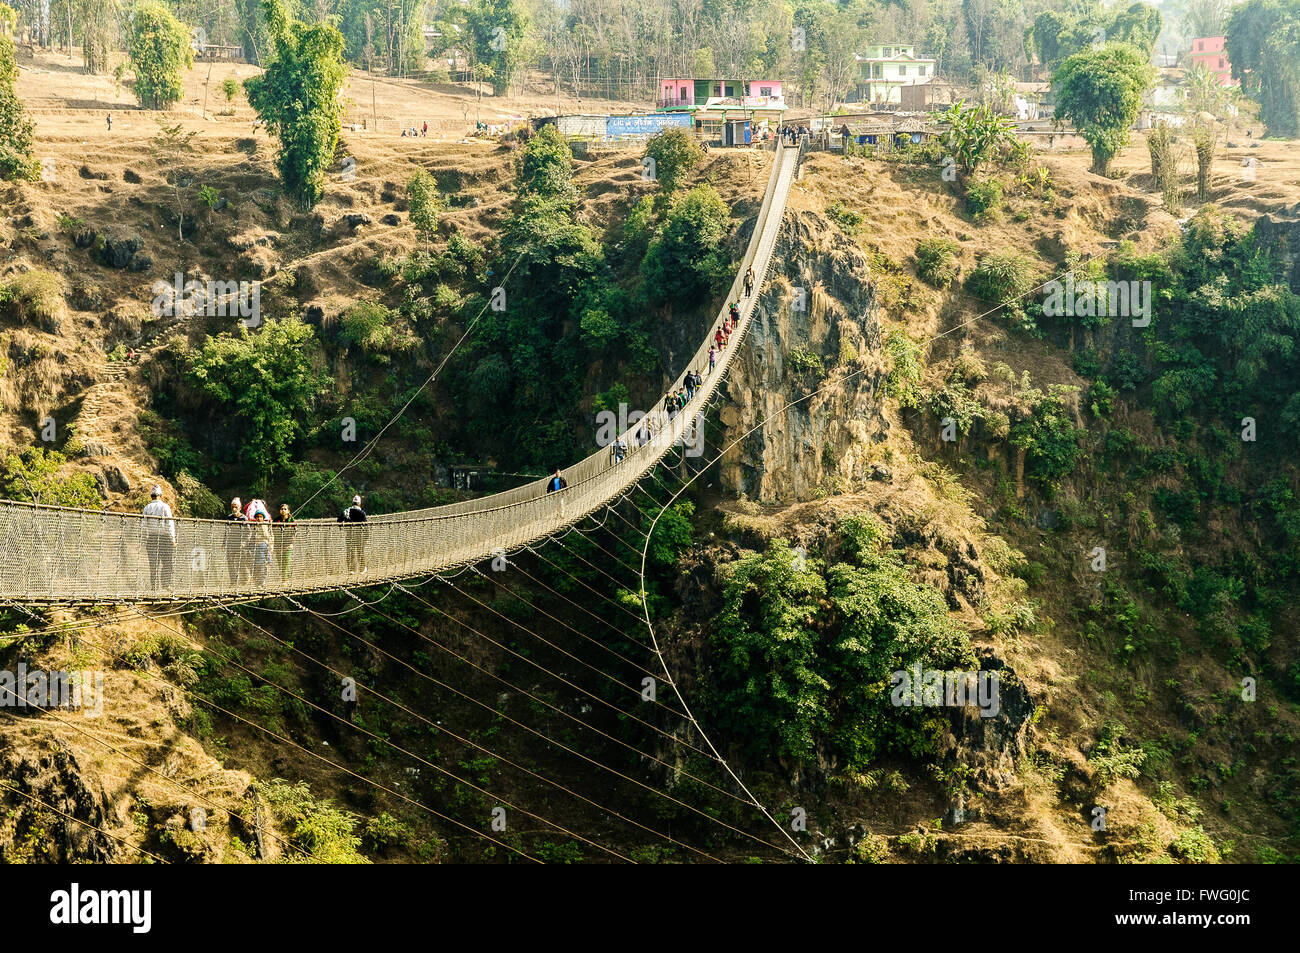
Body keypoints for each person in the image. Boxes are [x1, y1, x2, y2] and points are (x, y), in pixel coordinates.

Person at [141, 485, 175, 589]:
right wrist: (173, 538)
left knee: (153, 563)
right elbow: (170, 523)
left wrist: (144, 539)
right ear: (160, 495)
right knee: (167, 562)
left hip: (151, 538)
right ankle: (166, 584)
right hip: (164, 538)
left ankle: (154, 586)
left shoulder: (147, 508)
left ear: (151, 496)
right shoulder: (165, 507)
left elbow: (143, 526)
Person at [338, 495, 368, 573]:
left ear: (352, 502)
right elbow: (366, 526)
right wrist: (366, 538)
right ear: (359, 503)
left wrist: (345, 524)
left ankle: (351, 570)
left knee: (350, 552)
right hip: (359, 535)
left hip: (349, 535)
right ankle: (362, 569)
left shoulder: (346, 511)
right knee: (360, 551)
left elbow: (339, 521)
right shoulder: (362, 513)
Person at [224, 497, 249, 586]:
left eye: (236, 507)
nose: (234, 509)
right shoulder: (229, 518)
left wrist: (245, 542)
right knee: (230, 562)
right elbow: (226, 531)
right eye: (232, 507)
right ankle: (233, 581)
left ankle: (245, 578)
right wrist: (224, 542)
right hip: (231, 543)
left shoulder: (244, 519)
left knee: (241, 563)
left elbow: (248, 532)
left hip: (240, 543)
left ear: (240, 508)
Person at [250, 513, 273, 586]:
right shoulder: (254, 526)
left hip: (264, 547)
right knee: (258, 566)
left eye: (260, 517)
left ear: (263, 518)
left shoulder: (265, 526)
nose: (259, 518)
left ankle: (261, 582)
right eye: (257, 517)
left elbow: (268, 536)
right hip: (256, 548)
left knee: (264, 565)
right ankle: (258, 582)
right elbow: (252, 537)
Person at [275, 503, 296, 580]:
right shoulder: (276, 520)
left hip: (288, 546)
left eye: (285, 509)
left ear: (288, 511)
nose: (283, 511)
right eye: (282, 509)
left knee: (286, 562)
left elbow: (294, 532)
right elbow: (273, 532)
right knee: (280, 564)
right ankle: (287, 579)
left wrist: (291, 543)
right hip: (278, 546)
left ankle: (284, 580)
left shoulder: (291, 520)